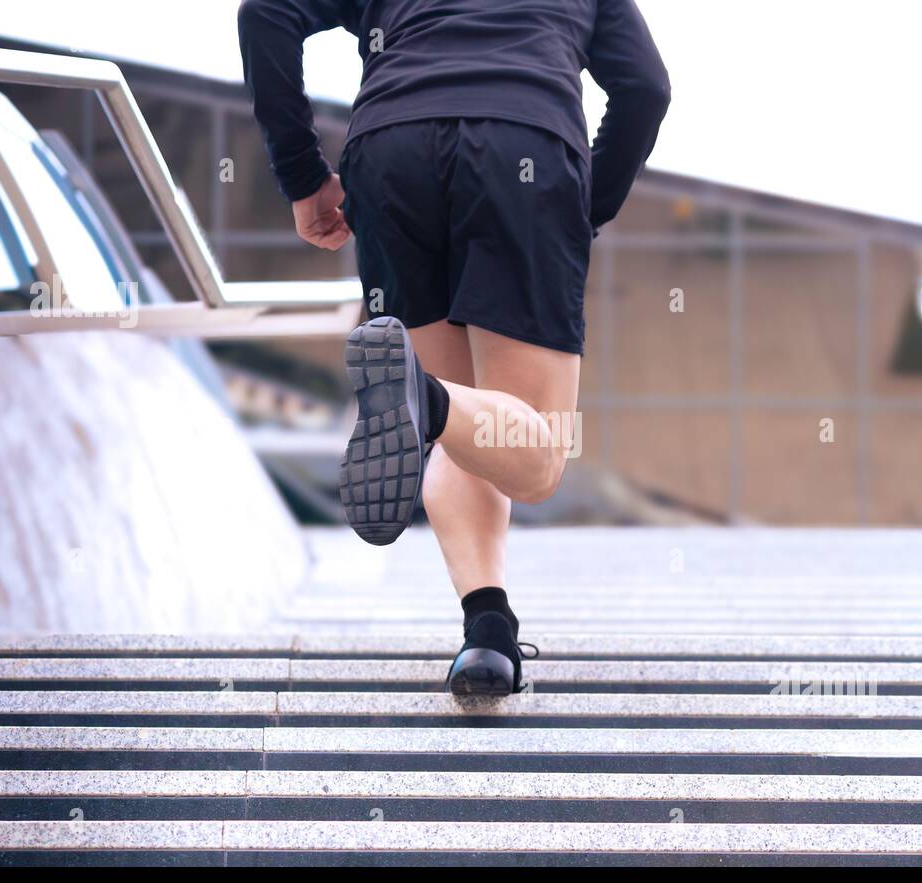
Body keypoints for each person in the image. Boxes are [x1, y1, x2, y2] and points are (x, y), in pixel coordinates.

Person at [239, 0, 669, 695]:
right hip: (522, 151)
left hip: (390, 150)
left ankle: (488, 637)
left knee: (467, 430)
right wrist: (583, 206)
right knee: (536, 461)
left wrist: (302, 174)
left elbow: (266, 12)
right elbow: (645, 89)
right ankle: (426, 401)